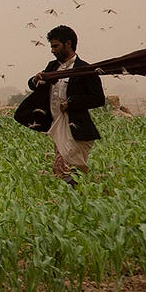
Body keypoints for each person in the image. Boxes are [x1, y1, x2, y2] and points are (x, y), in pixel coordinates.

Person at [25, 25, 105, 187]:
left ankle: (87, 196)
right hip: (57, 126)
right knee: (67, 171)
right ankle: (84, 197)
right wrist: (35, 79)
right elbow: (35, 85)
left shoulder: (85, 69)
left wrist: (71, 102)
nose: (52, 50)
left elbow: (98, 99)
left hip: (76, 128)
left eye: (55, 46)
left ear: (68, 44)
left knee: (64, 168)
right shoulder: (53, 67)